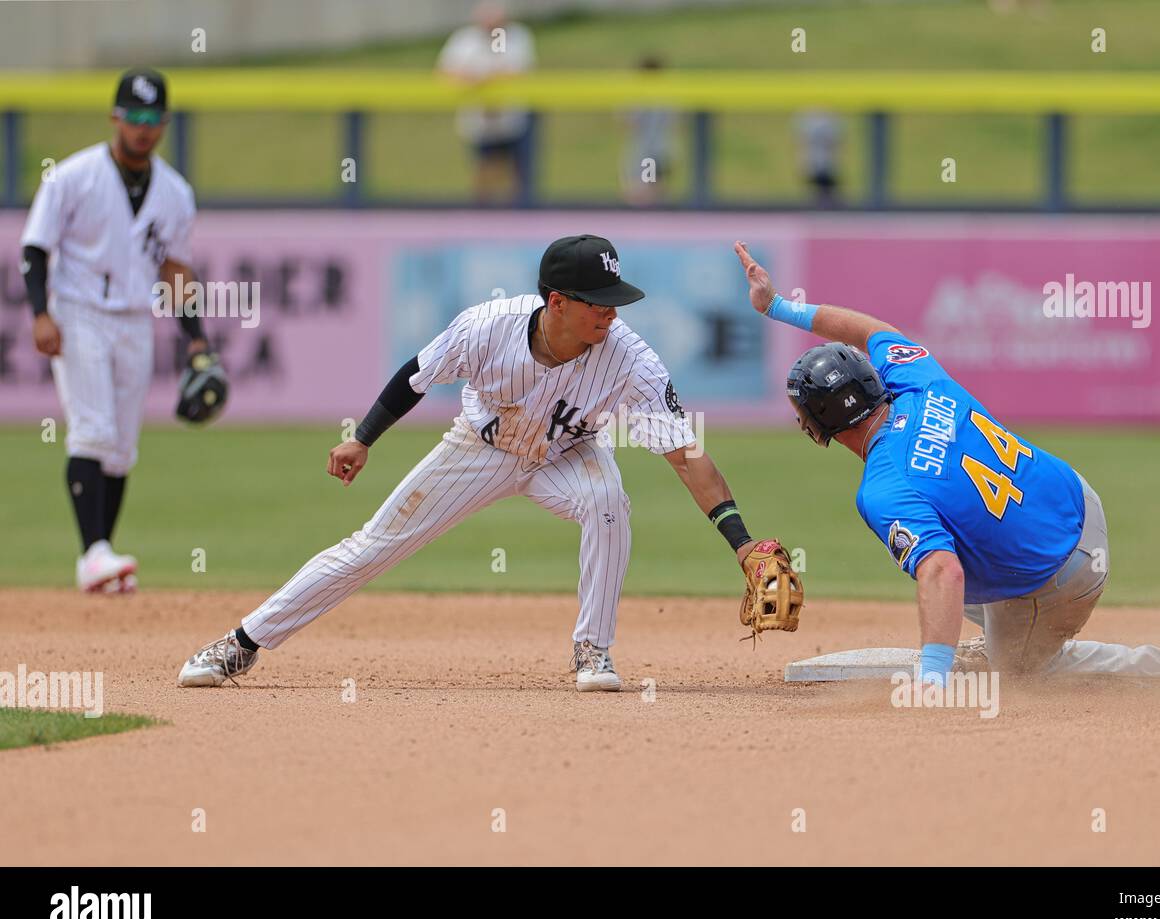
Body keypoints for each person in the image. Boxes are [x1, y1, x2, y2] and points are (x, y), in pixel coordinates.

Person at [178, 236, 781, 692]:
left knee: (608, 500)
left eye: (615, 302)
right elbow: (414, 376)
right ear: (557, 301)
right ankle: (241, 642)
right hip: (480, 447)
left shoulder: (629, 361)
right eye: (598, 304)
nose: (611, 315)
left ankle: (592, 651)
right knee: (371, 547)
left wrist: (742, 544)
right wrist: (363, 438)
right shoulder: (488, 327)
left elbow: (687, 455)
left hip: (566, 455)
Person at [731, 241, 1160, 686]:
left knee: (1022, 674)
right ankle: (1011, 630)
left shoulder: (883, 488)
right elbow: (870, 330)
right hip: (1075, 499)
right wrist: (778, 306)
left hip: (1059, 571)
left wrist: (933, 678)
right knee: (952, 538)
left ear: (814, 426)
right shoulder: (920, 379)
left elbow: (944, 573)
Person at [20, 68, 216, 594]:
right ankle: (93, 553)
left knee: (123, 445)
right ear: (115, 117)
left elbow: (175, 271)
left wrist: (196, 340)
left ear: (165, 123)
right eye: (134, 117)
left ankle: (101, 559)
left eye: (153, 119)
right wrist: (41, 312)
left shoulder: (175, 192)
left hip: (135, 318)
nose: (143, 129)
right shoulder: (72, 176)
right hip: (80, 311)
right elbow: (34, 248)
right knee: (93, 429)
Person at [437, 2, 536, 203]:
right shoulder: (464, 39)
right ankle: (482, 214)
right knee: (483, 172)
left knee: (518, 175)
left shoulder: (518, 37)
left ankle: (519, 215)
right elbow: (445, 73)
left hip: (513, 120)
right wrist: (473, 81)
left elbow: (520, 72)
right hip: (479, 122)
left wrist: (485, 81)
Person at [621, 56, 676, 206]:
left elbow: (630, 121)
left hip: (647, 152)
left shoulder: (641, 95)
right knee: (655, 189)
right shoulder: (667, 93)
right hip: (662, 148)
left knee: (643, 192)